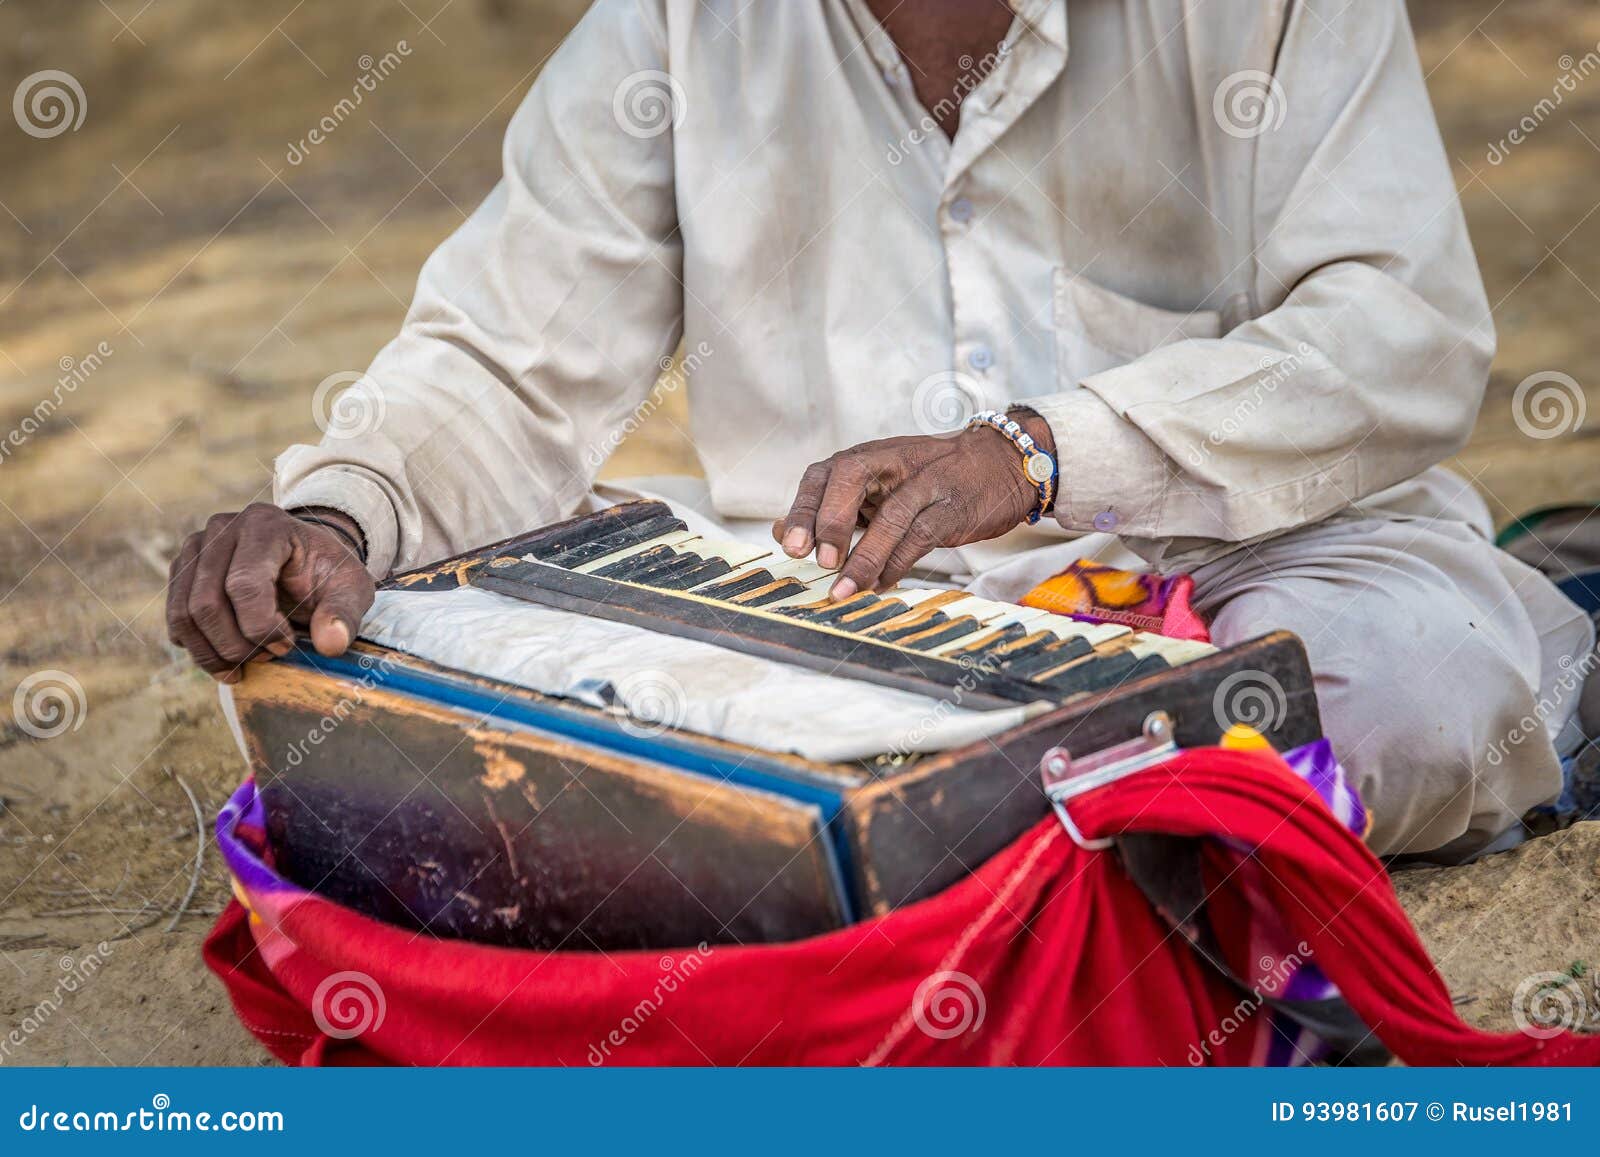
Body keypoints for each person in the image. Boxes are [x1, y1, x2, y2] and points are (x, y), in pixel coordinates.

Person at [165, 0, 1594, 861]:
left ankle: (1560, 637)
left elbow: (1398, 331)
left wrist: (1037, 455)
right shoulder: (679, 22)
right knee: (459, 683)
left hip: (1245, 558)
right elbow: (506, 359)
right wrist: (339, 520)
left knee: (1399, 696)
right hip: (840, 616)